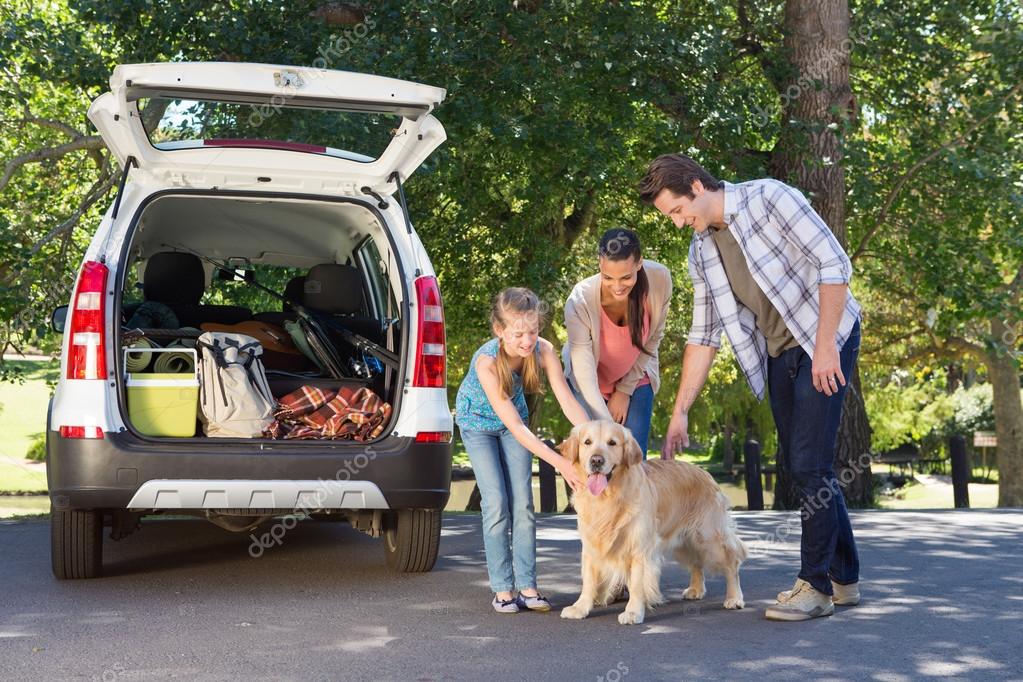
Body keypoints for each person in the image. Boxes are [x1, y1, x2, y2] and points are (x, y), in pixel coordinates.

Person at [639, 153, 863, 622]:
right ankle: (845, 578)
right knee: (805, 463)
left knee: (808, 464)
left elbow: (834, 263)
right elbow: (704, 335)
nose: (678, 224)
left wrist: (824, 349)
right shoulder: (702, 250)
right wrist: (680, 410)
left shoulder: (770, 198)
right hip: (779, 353)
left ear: (698, 186)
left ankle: (816, 587)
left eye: (677, 211)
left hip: (825, 335)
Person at [455, 287, 588, 614]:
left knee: (524, 502)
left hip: (514, 422)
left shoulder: (543, 350)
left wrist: (591, 437)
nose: (527, 340)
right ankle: (502, 589)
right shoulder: (487, 363)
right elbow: (515, 428)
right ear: (499, 331)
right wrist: (562, 464)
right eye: (518, 334)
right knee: (497, 502)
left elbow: (565, 397)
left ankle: (528, 587)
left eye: (533, 331)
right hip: (478, 425)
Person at [563, 228, 673, 458]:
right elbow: (583, 371)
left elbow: (653, 338)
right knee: (593, 457)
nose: (617, 286)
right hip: (590, 384)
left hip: (637, 376)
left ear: (639, 263)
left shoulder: (659, 279)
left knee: (632, 459)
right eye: (608, 277)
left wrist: (624, 390)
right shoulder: (580, 300)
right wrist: (608, 427)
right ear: (599, 265)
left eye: (626, 277)